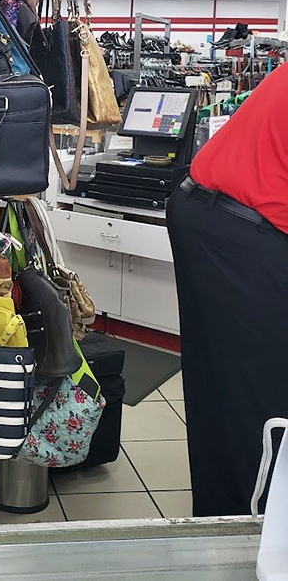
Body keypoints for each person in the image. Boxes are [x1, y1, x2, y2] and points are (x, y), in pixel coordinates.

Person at [167, 63, 288, 517]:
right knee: (263, 404)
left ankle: (222, 523)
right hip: (242, 230)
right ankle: (259, 532)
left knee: (221, 393)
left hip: (215, 214)